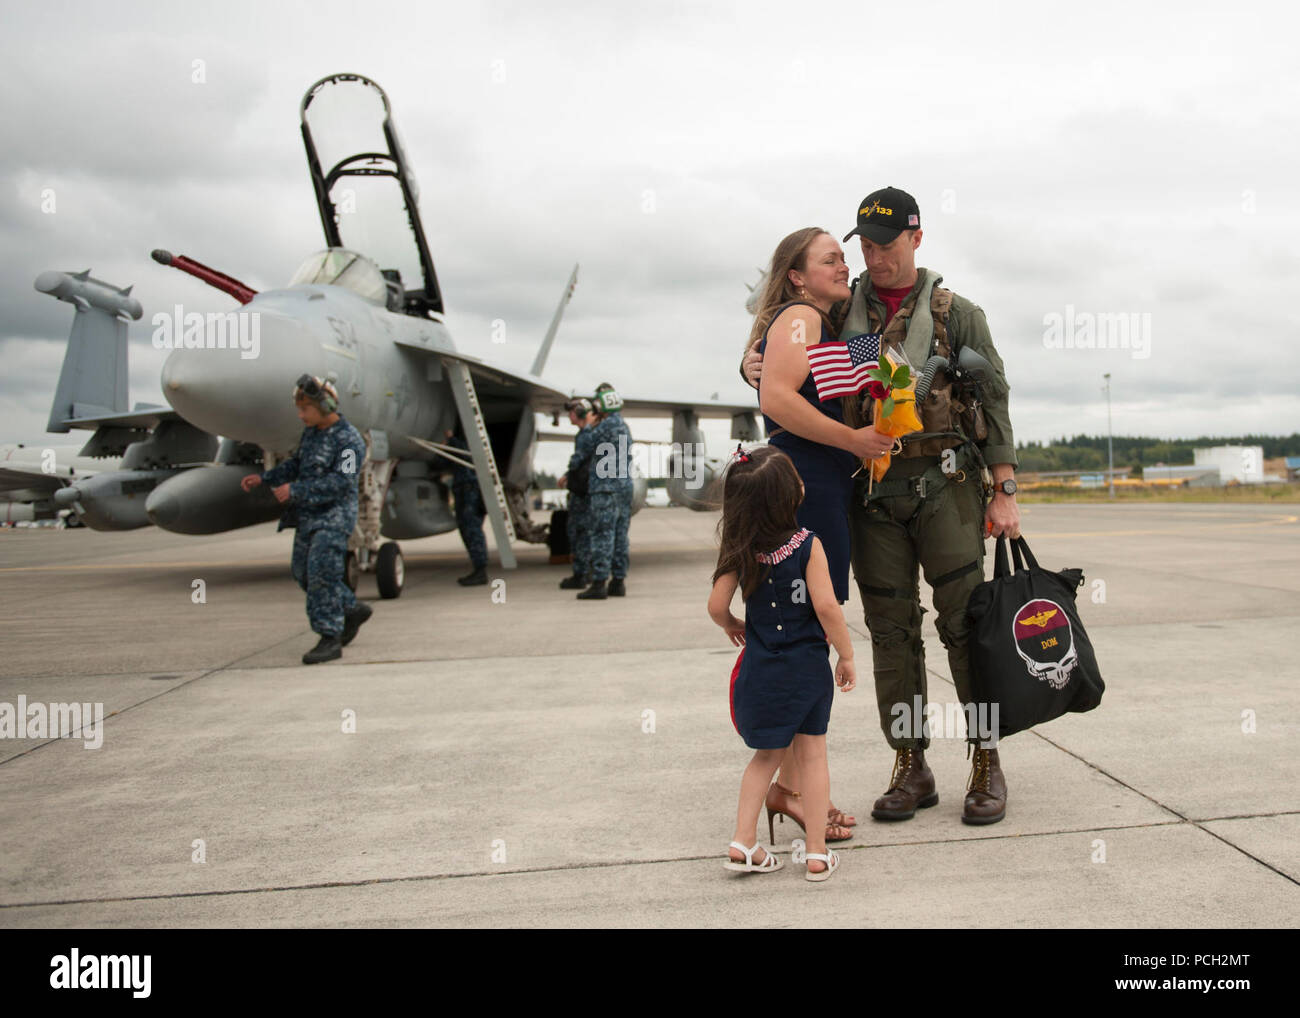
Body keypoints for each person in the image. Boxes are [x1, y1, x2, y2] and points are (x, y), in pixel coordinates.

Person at [742, 187, 1020, 824]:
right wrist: (751, 361)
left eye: (885, 244)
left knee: (963, 625)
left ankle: (985, 761)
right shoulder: (841, 312)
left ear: (916, 239)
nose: (872, 256)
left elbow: (996, 399)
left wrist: (1005, 491)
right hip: (869, 493)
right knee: (892, 635)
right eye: (863, 244)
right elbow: (788, 352)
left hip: (945, 487)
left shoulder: (958, 314)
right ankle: (911, 763)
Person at [748, 227, 891, 843]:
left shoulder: (815, 322)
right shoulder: (803, 315)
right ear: (798, 275)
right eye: (829, 258)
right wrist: (852, 440)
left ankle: (796, 789)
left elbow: (779, 375)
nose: (844, 264)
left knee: (804, 643)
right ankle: (795, 792)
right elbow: (777, 397)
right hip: (808, 484)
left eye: (844, 256)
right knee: (807, 640)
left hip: (820, 485)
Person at [708, 445, 856, 881]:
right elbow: (827, 607)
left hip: (762, 670)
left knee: (765, 757)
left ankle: (743, 841)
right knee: (812, 758)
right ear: (790, 496)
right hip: (807, 670)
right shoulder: (807, 546)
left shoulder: (739, 550)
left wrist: (732, 623)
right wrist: (845, 653)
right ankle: (814, 853)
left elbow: (717, 605)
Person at [241, 375, 371, 664]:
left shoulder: (349, 441)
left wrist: (296, 490)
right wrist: (265, 478)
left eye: (305, 410)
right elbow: (298, 464)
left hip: (334, 517)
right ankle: (351, 609)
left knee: (322, 575)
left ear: (324, 406)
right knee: (303, 573)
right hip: (307, 515)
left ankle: (329, 637)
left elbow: (343, 482)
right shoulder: (312, 434)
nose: (300, 415)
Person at [574, 383, 633, 600]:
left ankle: (599, 582)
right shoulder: (624, 426)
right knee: (620, 535)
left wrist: (589, 424)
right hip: (624, 487)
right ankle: (618, 582)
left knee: (602, 534)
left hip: (605, 488)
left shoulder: (602, 428)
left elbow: (585, 447)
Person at [432, 428, 489, 586]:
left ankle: (480, 569)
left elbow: (466, 455)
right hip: (461, 489)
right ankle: (477, 568)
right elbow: (441, 462)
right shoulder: (459, 441)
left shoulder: (474, 439)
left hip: (472, 488)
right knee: (465, 528)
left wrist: (451, 440)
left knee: (472, 528)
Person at [556, 398, 594, 590]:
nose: (569, 416)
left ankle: (581, 574)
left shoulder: (586, 434)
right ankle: (583, 572)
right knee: (581, 532)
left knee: (579, 532)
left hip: (582, 493)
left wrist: (568, 475)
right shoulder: (584, 433)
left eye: (572, 412)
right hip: (582, 490)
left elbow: (578, 460)